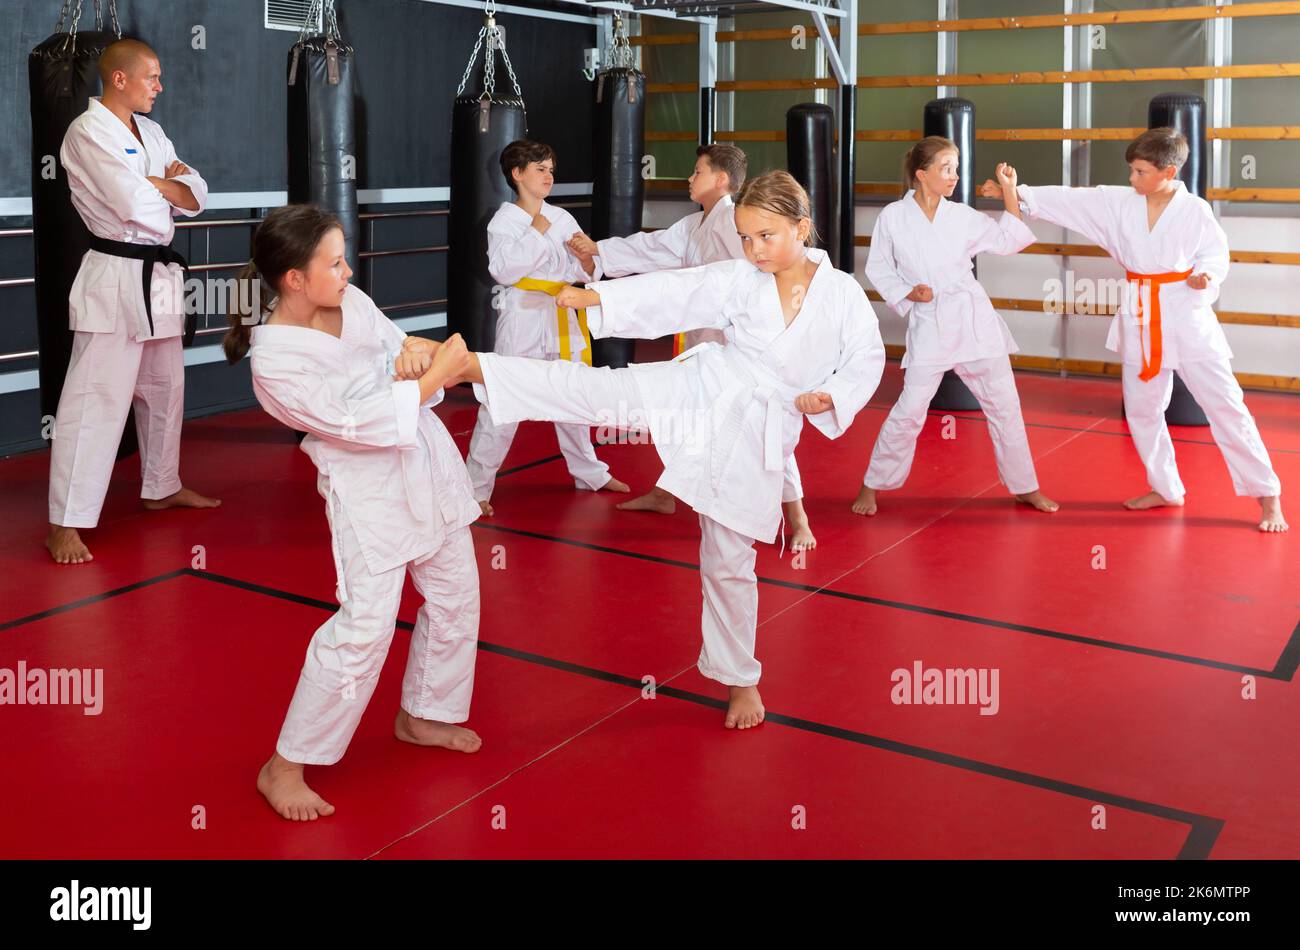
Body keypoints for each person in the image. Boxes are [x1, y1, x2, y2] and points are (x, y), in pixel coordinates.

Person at [411, 172, 885, 729]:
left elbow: (866, 358)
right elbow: (678, 292)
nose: (754, 250)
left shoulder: (842, 294)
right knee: (598, 393)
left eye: (766, 236)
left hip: (758, 426)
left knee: (729, 560)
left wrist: (832, 394)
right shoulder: (738, 276)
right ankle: (475, 366)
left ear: (802, 227)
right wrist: (599, 297)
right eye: (746, 237)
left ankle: (740, 679)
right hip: (706, 387)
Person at [224, 205, 483, 821]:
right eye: (334, 262)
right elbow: (358, 423)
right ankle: (283, 765)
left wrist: (419, 359)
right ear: (293, 278)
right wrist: (433, 372)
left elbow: (403, 354)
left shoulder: (354, 302)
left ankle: (424, 715)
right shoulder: (275, 364)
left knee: (456, 596)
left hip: (428, 468)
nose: (347, 270)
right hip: (369, 496)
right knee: (364, 629)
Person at [982, 127, 1285, 531]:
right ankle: (1166, 487)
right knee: (1142, 410)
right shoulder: (1119, 202)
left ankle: (1268, 497)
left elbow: (1216, 256)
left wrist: (1205, 278)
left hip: (1187, 316)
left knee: (1227, 406)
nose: (1132, 178)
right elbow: (1070, 199)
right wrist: (1016, 191)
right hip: (1141, 314)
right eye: (1132, 170)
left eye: (1141, 172)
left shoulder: (1194, 211)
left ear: (1169, 171)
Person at [567, 145, 820, 552]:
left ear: (720, 179)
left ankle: (798, 517)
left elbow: (765, 272)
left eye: (697, 170)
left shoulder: (736, 222)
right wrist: (600, 249)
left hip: (745, 344)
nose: (690, 177)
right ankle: (667, 493)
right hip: (706, 339)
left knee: (765, 428)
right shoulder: (695, 224)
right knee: (684, 416)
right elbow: (653, 250)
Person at [46, 39, 219, 565]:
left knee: (166, 388)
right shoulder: (86, 132)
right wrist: (167, 186)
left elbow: (198, 192)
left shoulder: (153, 132)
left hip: (158, 275)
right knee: (94, 399)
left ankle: (160, 485)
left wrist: (168, 185)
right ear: (119, 79)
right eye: (152, 78)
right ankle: (65, 522)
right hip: (114, 274)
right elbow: (134, 204)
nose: (160, 87)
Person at [854, 137, 1058, 517]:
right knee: (911, 408)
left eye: (956, 169)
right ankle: (872, 485)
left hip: (971, 317)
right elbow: (878, 267)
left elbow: (1006, 239)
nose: (955, 177)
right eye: (946, 168)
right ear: (921, 174)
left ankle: (1025, 486)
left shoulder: (961, 215)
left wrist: (1009, 190)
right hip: (930, 321)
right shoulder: (893, 218)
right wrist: (907, 292)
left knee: (1005, 405)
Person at [464, 139, 629, 517]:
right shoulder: (504, 221)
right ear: (517, 174)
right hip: (522, 315)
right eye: (540, 169)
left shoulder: (563, 218)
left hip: (562, 311)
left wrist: (585, 258)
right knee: (502, 400)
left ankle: (589, 472)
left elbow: (584, 270)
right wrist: (536, 232)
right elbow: (503, 271)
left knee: (573, 393)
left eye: (551, 169)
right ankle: (473, 489)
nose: (548, 176)